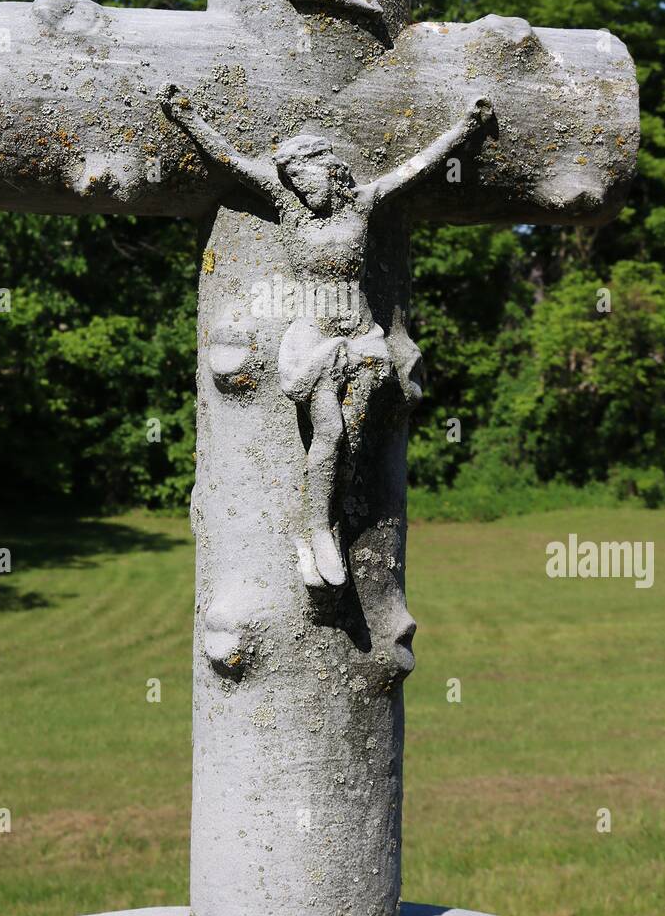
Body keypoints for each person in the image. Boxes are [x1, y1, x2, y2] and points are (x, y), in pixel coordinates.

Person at [163, 86, 491, 589]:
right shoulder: (290, 211)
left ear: (329, 168)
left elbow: (417, 168)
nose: (300, 187)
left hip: (362, 339)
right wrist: (186, 117)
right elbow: (231, 160)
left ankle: (331, 521)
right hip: (313, 338)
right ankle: (315, 530)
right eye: (291, 180)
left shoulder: (362, 205)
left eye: (305, 176)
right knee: (331, 434)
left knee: (352, 443)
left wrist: (464, 130)